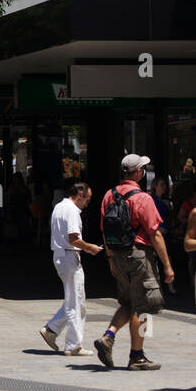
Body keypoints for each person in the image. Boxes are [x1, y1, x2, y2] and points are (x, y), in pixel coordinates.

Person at [94, 154, 174, 371]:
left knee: (128, 302)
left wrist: (110, 258)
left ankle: (108, 336)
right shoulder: (143, 198)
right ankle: (137, 356)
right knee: (145, 305)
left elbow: (104, 230)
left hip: (117, 255)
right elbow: (155, 234)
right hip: (139, 255)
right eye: (142, 169)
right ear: (137, 172)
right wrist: (167, 265)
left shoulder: (108, 196)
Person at [39, 183, 101, 356]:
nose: (87, 203)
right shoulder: (72, 211)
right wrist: (90, 248)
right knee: (76, 302)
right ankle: (73, 345)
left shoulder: (59, 206)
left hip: (60, 255)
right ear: (79, 194)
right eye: (87, 199)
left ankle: (52, 329)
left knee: (74, 298)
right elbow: (73, 238)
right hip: (69, 255)